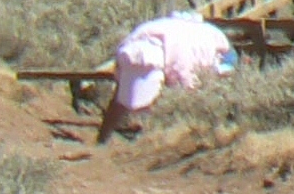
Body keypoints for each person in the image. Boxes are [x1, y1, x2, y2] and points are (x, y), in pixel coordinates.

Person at [97, 12, 237, 144]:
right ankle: (143, 141)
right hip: (152, 56)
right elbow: (185, 73)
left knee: (123, 99)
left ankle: (105, 140)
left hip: (135, 52)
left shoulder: (203, 37)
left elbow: (125, 47)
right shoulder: (205, 39)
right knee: (143, 102)